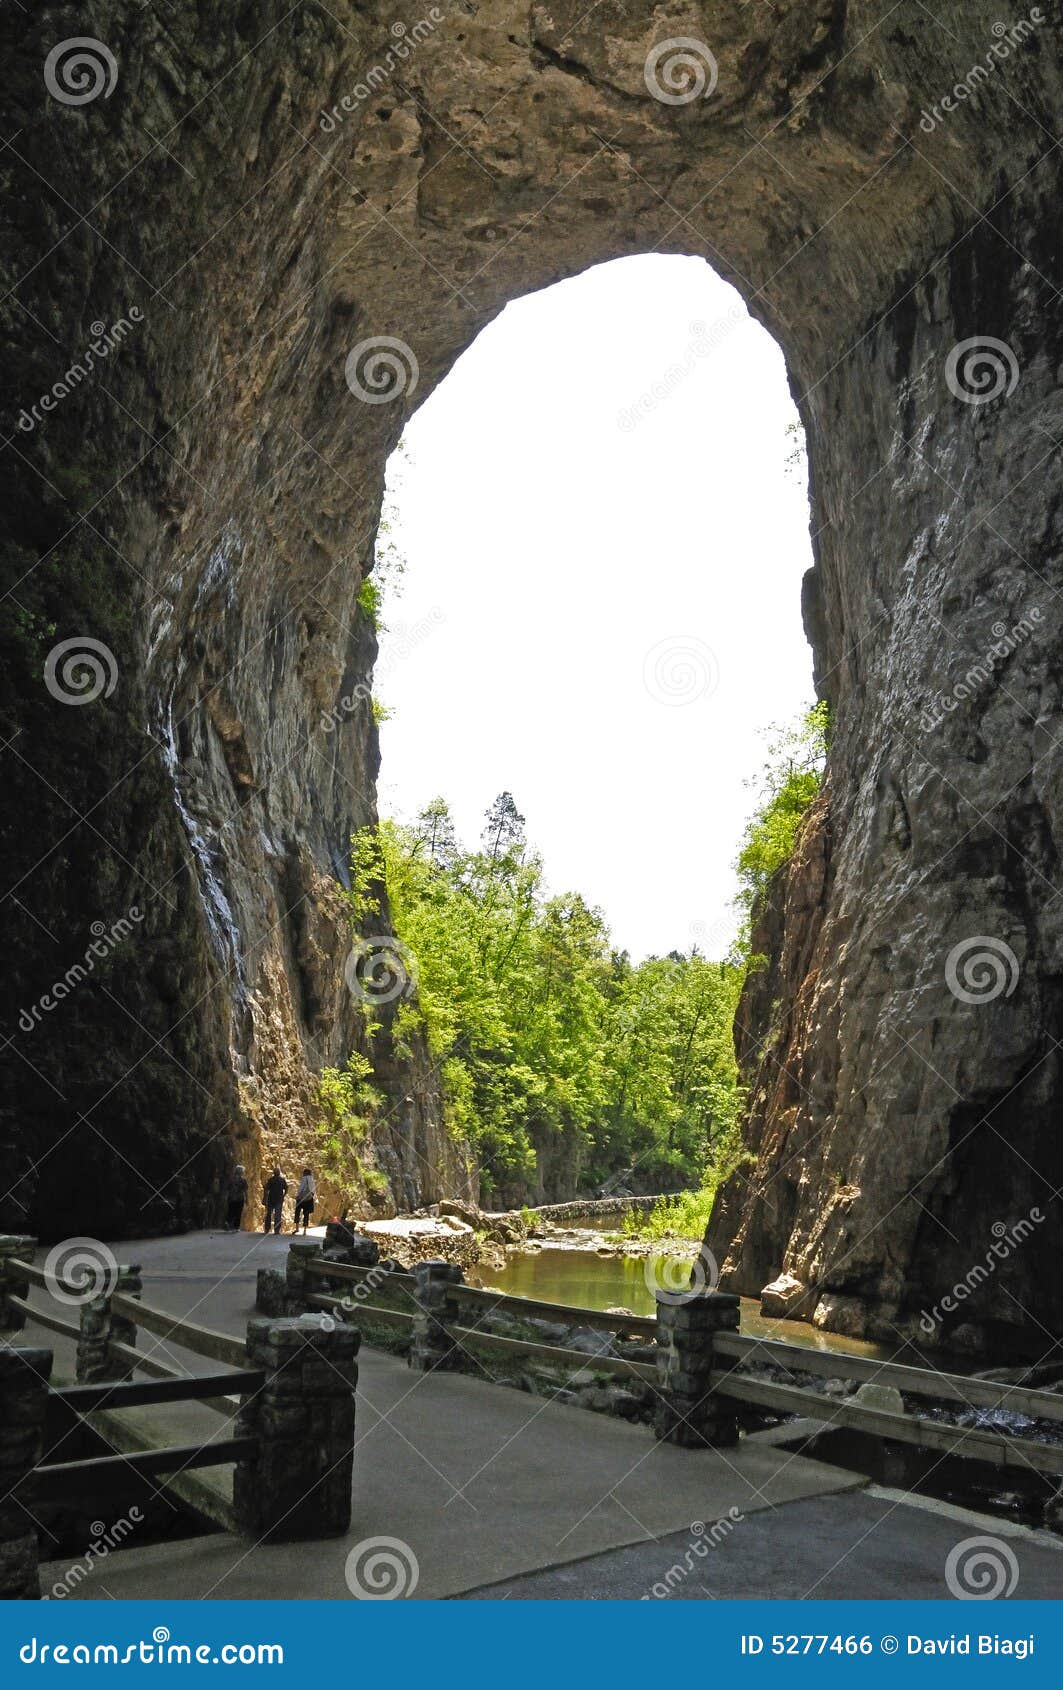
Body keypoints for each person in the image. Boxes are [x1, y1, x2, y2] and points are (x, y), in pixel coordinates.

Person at [263, 1167, 287, 1235]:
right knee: (278, 1215)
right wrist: (283, 1195)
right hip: (279, 1200)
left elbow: (266, 1188)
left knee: (268, 1214)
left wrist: (265, 1197)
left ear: (274, 1173)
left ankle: (267, 1229)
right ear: (279, 1173)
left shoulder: (271, 1180)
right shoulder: (282, 1180)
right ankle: (276, 1230)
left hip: (271, 1199)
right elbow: (286, 1189)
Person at [225, 1164, 248, 1231]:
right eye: (243, 1171)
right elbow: (245, 1191)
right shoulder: (243, 1180)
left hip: (231, 1197)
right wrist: (247, 1199)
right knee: (238, 1212)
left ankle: (228, 1223)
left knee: (231, 1211)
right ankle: (236, 1227)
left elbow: (227, 1188)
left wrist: (226, 1196)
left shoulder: (231, 1179)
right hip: (240, 1198)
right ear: (241, 1172)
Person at [293, 1168, 316, 1234]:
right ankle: (305, 1230)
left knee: (297, 1212)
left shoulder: (304, 1178)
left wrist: (297, 1195)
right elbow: (313, 1189)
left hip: (301, 1198)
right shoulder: (311, 1179)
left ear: (305, 1173)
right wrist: (313, 1196)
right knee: (306, 1214)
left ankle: (297, 1228)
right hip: (309, 1198)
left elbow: (301, 1188)